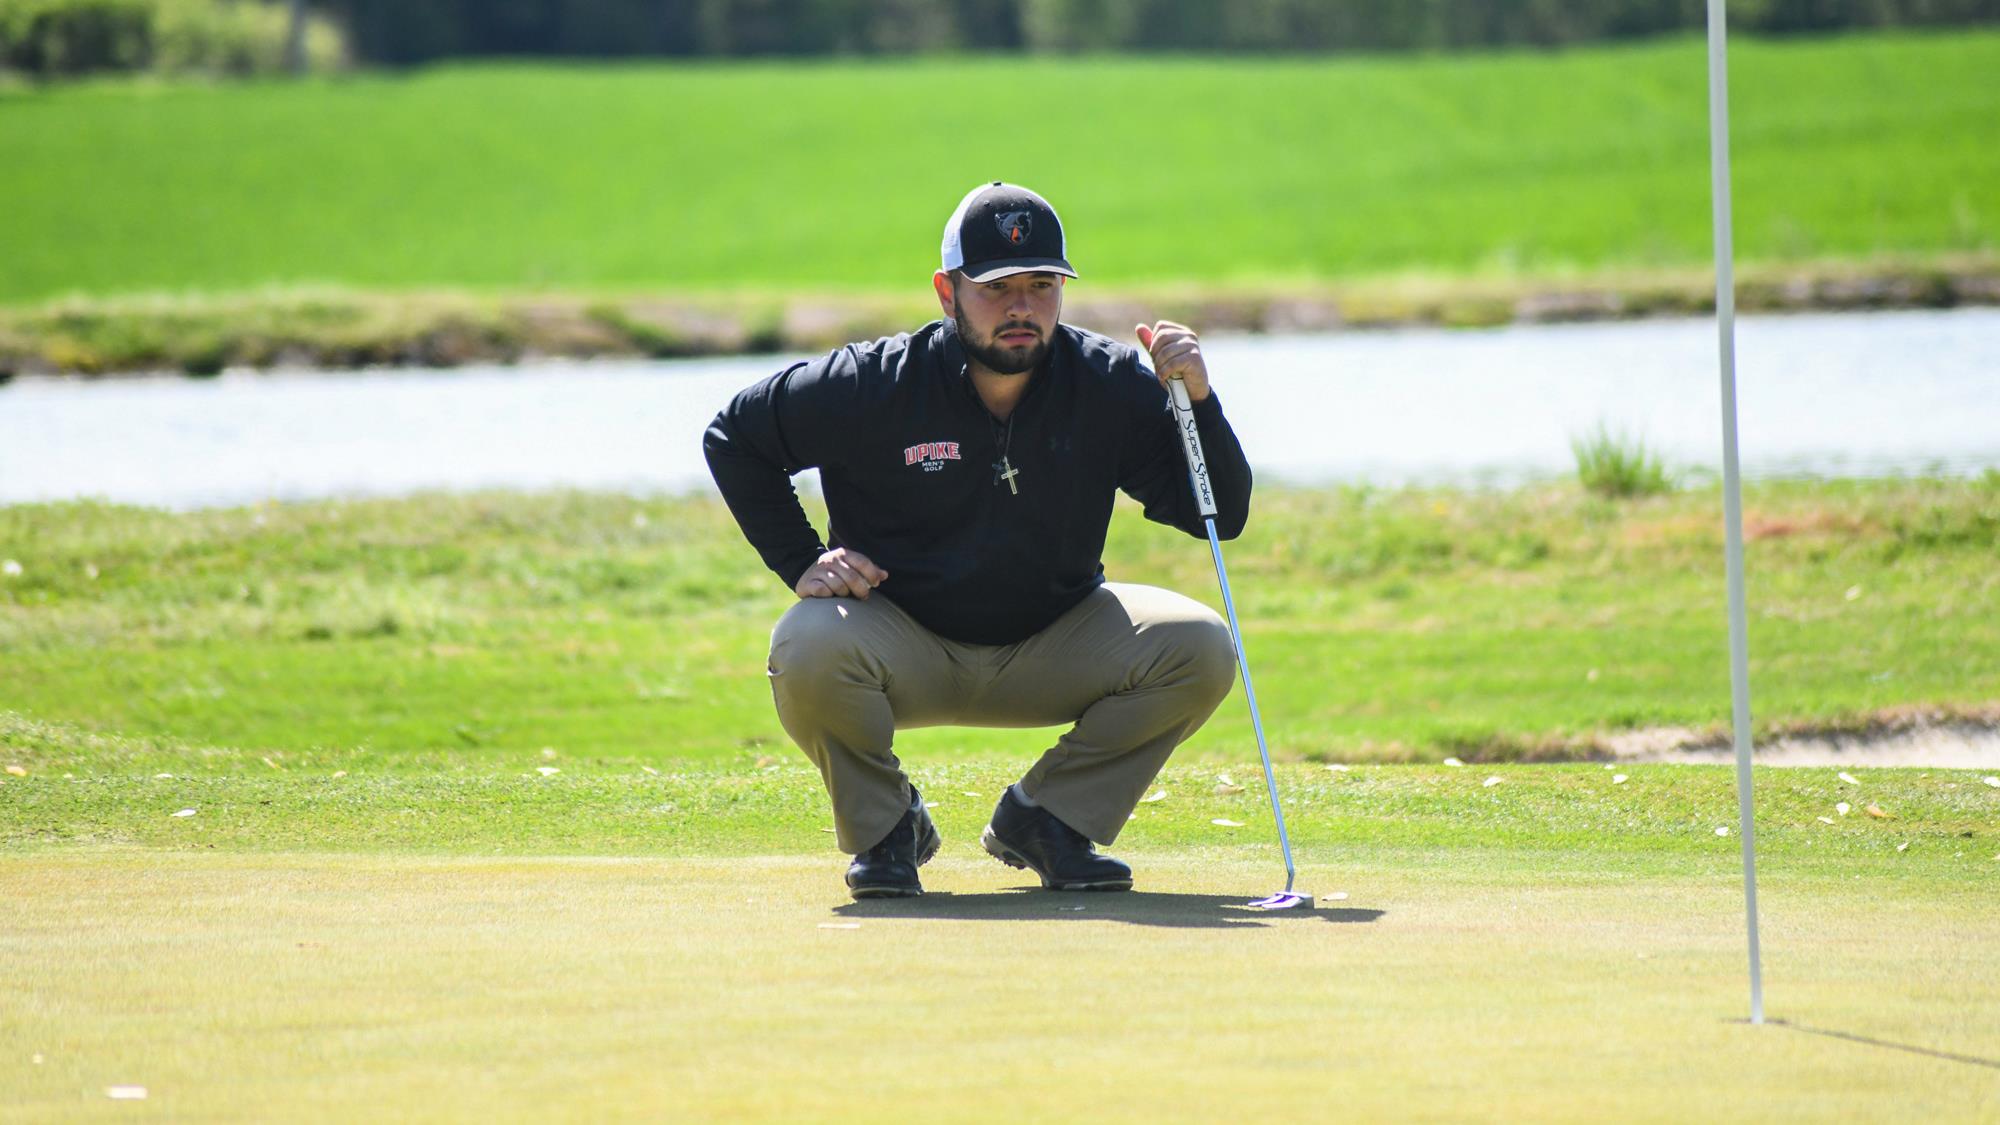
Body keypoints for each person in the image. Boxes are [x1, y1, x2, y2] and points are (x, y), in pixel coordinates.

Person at [703, 181, 1253, 899]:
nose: (1022, 307)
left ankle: (1049, 820)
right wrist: (802, 559)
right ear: (946, 291)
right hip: (902, 640)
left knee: (1202, 646)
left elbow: (1219, 510)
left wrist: (1199, 403)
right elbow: (735, 437)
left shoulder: (1109, 383)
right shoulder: (874, 383)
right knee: (806, 642)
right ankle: (887, 829)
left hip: (1055, 638)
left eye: (1042, 284)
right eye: (995, 288)